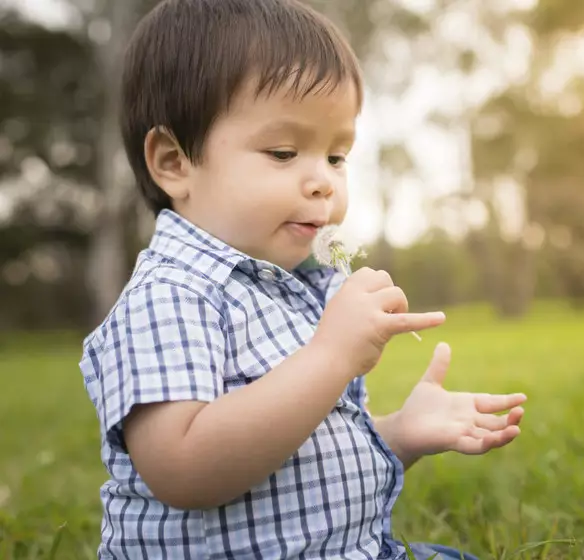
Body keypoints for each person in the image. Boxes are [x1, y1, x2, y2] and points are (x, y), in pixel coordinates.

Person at [78, 0, 527, 558]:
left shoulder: (294, 292)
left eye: (337, 157)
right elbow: (184, 469)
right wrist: (331, 356)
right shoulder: (169, 297)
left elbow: (303, 464)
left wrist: (400, 432)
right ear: (174, 162)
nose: (323, 181)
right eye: (284, 152)